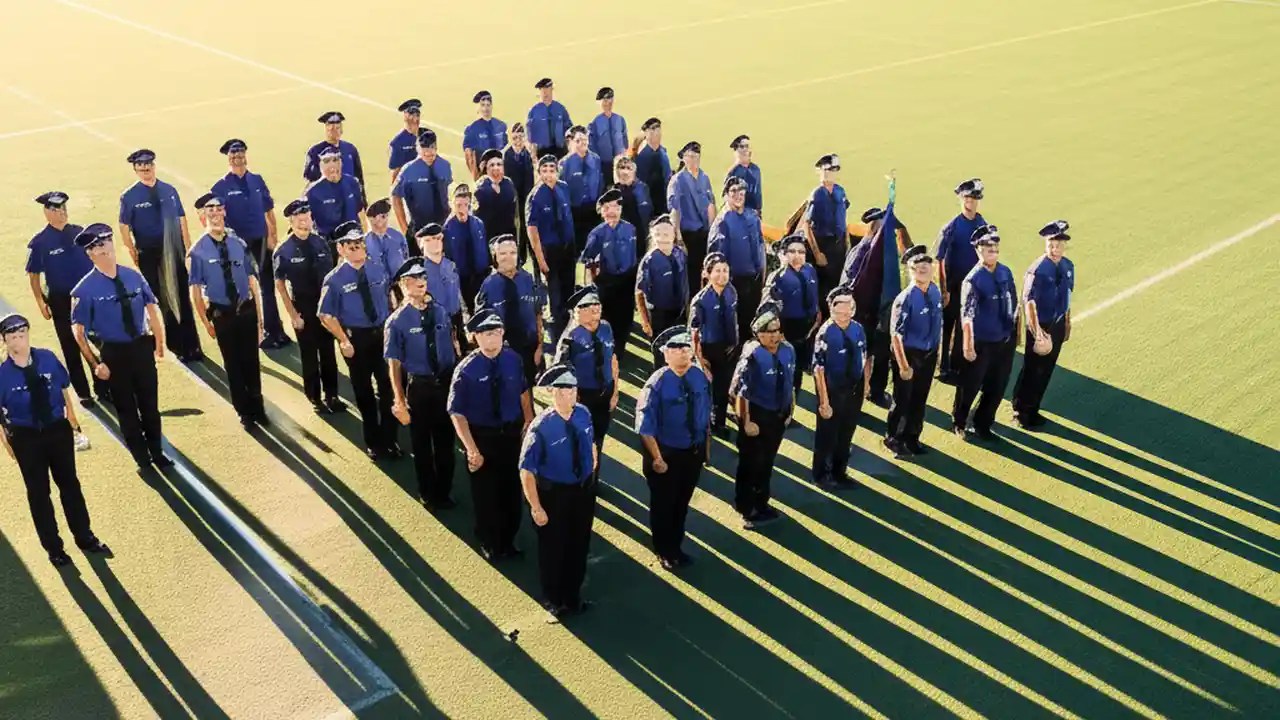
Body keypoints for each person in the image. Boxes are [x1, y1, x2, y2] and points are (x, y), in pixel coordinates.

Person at [0, 314, 109, 567]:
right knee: (39, 494)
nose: (20, 341)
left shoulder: (47, 358)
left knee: (70, 484)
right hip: (26, 437)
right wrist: (7, 444)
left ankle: (85, 537)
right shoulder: (2, 374)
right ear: (4, 340)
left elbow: (62, 389)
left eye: (22, 334)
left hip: (56, 429)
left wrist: (71, 419)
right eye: (13, 337)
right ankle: (54, 548)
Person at [69, 223, 172, 470]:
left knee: (150, 405)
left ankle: (157, 452)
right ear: (89, 253)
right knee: (126, 410)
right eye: (96, 246)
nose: (104, 249)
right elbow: (78, 332)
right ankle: (141, 458)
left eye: (105, 242)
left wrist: (159, 341)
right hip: (114, 353)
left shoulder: (133, 276)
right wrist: (96, 363)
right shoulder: (84, 290)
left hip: (140, 347)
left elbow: (151, 309)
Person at [450, 309, 535, 560]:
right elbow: (457, 412)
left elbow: (522, 389)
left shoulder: (513, 359)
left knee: (510, 489)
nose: (493, 338)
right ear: (476, 337)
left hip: (510, 434)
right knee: (486, 494)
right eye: (487, 334)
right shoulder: (466, 370)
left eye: (497, 332)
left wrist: (528, 418)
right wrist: (471, 449)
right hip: (482, 437)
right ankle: (489, 541)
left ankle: (508, 538)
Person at [519, 364, 598, 621]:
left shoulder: (584, 414)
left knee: (579, 543)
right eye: (562, 391)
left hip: (583, 491)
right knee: (554, 547)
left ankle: (573, 596)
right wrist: (536, 507)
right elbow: (527, 470)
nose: (568, 396)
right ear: (552, 393)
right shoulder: (541, 427)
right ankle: (553, 599)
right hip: (555, 495)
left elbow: (592, 445)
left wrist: (591, 469)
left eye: (572, 390)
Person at [318, 222, 399, 460]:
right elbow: (325, 315)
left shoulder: (377, 269)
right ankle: (373, 442)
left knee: (388, 388)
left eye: (359, 244)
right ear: (341, 249)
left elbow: (389, 296)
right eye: (351, 246)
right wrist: (343, 340)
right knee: (364, 392)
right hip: (357, 339)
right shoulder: (334, 279)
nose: (357, 249)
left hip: (381, 335)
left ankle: (390, 439)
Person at [385, 258, 460, 509]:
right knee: (422, 443)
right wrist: (399, 399)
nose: (421, 284)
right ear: (404, 285)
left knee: (445, 442)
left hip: (445, 384)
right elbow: (394, 364)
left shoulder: (439, 311)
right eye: (415, 280)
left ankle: (445, 490)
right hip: (420, 388)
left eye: (423, 279)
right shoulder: (397, 321)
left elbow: (451, 344)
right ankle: (427, 491)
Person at [187, 194, 267, 430]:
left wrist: (260, 318)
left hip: (246, 311)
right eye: (209, 212)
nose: (215, 215)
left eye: (218, 210)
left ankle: (258, 407)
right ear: (203, 217)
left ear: (224, 213)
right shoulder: (197, 252)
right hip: (223, 314)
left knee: (251, 362)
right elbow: (195, 293)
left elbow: (253, 282)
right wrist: (206, 323)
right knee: (233, 365)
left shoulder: (238, 243)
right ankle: (244, 412)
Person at [635, 325, 710, 570]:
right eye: (675, 349)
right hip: (667, 454)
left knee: (681, 503)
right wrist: (657, 458)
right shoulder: (656, 384)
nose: (682, 353)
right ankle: (664, 550)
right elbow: (645, 427)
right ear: (665, 355)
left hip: (692, 452)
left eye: (686, 348)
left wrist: (705, 450)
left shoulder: (698, 376)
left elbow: (704, 415)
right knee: (664, 505)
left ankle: (676, 546)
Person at [118, 149, 202, 362]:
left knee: (182, 295)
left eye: (149, 166)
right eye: (141, 168)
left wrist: (187, 248)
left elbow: (182, 219)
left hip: (173, 250)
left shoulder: (169, 190)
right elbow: (124, 226)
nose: (146, 170)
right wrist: (132, 251)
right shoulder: (129, 196)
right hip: (149, 253)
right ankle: (176, 346)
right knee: (162, 298)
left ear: (154, 166)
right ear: (136, 170)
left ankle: (193, 346)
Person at [25, 191, 107, 406]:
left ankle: (103, 387)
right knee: (71, 347)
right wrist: (41, 302)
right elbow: (34, 275)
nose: (62, 213)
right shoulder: (40, 242)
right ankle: (84, 393)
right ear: (47, 212)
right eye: (57, 210)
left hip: (88, 297)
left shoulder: (81, 233)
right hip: (61, 301)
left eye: (64, 209)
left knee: (100, 342)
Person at [212, 139, 287, 349]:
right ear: (228, 159)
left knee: (267, 287)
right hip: (237, 245)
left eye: (240, 154)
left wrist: (272, 234)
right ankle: (256, 332)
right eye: (233, 156)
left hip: (260, 239)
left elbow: (268, 209)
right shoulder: (220, 187)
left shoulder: (257, 180)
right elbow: (215, 219)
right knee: (245, 289)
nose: (237, 159)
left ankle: (275, 329)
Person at [842, 183, 910, 408]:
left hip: (884, 310)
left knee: (880, 355)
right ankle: (859, 393)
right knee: (863, 357)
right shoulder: (861, 251)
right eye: (880, 226)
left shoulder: (887, 251)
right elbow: (850, 282)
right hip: (864, 314)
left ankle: (876, 391)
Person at [729, 303, 796, 529]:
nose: (774, 336)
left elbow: (790, 383)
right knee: (750, 463)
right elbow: (739, 392)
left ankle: (762, 502)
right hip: (757, 416)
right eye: (769, 332)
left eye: (777, 331)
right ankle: (746, 508)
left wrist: (790, 412)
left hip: (778, 416)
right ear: (758, 334)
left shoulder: (788, 350)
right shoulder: (752, 355)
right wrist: (745, 421)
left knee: (767, 462)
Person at [273, 200, 341, 414]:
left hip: (324, 307)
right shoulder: (283, 249)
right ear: (292, 221)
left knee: (328, 352)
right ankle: (315, 397)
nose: (305, 222)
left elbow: (331, 276)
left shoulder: (320, 243)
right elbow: (280, 285)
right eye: (300, 219)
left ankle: (332, 395)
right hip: (302, 306)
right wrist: (293, 315)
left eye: (307, 218)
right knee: (309, 355)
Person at [952, 224, 1018, 442]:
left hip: (1003, 340)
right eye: (988, 248)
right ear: (978, 250)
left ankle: (983, 423)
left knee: (997, 385)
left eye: (996, 248)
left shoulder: (1005, 272)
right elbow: (967, 315)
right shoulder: (973, 280)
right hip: (981, 343)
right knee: (970, 385)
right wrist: (968, 346)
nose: (993, 252)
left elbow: (1014, 303)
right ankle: (960, 420)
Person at [1012, 220, 1075, 429]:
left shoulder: (1068, 266)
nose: (1055, 249)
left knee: (1047, 369)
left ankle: (1034, 408)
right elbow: (1028, 302)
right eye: (1051, 244)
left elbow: (1067, 295)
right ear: (1045, 245)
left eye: (1058, 244)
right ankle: (1021, 411)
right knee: (1033, 369)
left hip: (1056, 325)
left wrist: (1067, 322)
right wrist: (1037, 332)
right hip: (1040, 326)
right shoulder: (1037, 270)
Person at [554, 286, 618, 480]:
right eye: (588, 305)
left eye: (597, 304)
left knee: (598, 438)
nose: (595, 308)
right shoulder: (570, 338)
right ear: (577, 312)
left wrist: (615, 392)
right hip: (582, 397)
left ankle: (593, 478)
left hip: (604, 393)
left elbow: (613, 360)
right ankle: (578, 478)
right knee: (580, 440)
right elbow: (560, 375)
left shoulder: (606, 327)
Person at [885, 245, 943, 458]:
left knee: (920, 399)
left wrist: (938, 355)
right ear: (910, 271)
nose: (923, 271)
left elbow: (939, 325)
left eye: (926, 267)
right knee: (903, 400)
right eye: (918, 268)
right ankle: (894, 439)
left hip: (928, 354)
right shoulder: (905, 298)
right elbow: (896, 336)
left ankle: (912, 437)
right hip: (909, 356)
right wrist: (903, 366)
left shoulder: (935, 291)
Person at [812, 286, 869, 490]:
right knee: (827, 435)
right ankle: (821, 475)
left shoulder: (858, 328)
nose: (845, 312)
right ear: (832, 308)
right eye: (840, 308)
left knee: (846, 433)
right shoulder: (825, 334)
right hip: (832, 390)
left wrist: (865, 386)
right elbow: (818, 370)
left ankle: (839, 471)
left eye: (848, 307)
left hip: (853, 388)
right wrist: (824, 402)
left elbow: (864, 358)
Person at [934, 178, 988, 383]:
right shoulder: (952, 227)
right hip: (954, 284)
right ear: (961, 200)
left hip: (972, 285)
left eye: (974, 198)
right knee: (947, 325)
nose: (971, 202)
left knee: (966, 322)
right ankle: (942, 365)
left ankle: (957, 363)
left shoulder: (982, 224)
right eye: (967, 198)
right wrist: (944, 289)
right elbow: (939, 259)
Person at [475, 235, 544, 388]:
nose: (508, 257)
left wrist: (540, 346)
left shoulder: (527, 279)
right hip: (503, 351)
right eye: (503, 253)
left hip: (528, 347)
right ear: (495, 256)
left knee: (528, 387)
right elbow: (480, 326)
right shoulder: (488, 286)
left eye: (512, 253)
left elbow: (538, 313)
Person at [708, 175, 765, 342]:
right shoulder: (722, 222)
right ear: (726, 195)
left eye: (741, 190)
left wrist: (762, 273)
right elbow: (716, 259)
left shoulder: (752, 217)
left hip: (753, 279)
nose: (738, 194)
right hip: (734, 282)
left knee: (752, 320)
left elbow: (760, 246)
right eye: (733, 191)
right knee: (734, 325)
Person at [526, 154, 576, 344]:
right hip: (550, 251)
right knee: (555, 298)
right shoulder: (535, 196)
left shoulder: (564, 188)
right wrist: (541, 260)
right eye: (544, 171)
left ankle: (571, 331)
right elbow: (532, 230)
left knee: (568, 291)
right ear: (539, 173)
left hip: (567, 248)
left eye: (551, 170)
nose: (548, 175)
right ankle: (558, 338)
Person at [580, 188, 637, 349]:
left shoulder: (630, 229)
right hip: (606, 282)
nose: (612, 212)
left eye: (616, 208)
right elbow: (588, 260)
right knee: (607, 319)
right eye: (607, 208)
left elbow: (633, 255)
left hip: (626, 280)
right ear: (601, 212)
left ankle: (620, 349)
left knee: (625, 318)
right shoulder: (597, 234)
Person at [688, 253, 737, 434]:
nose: (722, 275)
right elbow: (693, 335)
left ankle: (719, 423)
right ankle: (703, 425)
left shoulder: (731, 291)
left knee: (722, 389)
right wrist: (702, 363)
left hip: (728, 348)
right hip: (708, 350)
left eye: (725, 270)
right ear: (708, 274)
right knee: (705, 390)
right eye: (717, 271)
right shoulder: (700, 301)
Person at [765, 235, 821, 392]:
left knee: (799, 368)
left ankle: (795, 394)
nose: (797, 256)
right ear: (785, 254)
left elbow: (814, 294)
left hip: (809, 326)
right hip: (787, 327)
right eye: (792, 251)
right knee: (784, 366)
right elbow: (769, 309)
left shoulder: (810, 270)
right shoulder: (778, 278)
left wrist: (817, 314)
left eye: (801, 252)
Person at [635, 215, 688, 366]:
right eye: (658, 234)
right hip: (659, 314)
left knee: (680, 348)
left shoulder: (680, 254)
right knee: (661, 354)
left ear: (674, 235)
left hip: (679, 311)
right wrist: (645, 323)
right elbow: (639, 293)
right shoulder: (649, 260)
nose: (662, 239)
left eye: (666, 234)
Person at [804, 153, 852, 318]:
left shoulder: (840, 191)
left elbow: (843, 217)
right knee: (824, 287)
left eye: (832, 170)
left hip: (838, 245)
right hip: (823, 244)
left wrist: (847, 243)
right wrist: (817, 253)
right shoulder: (817, 194)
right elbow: (807, 225)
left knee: (838, 282)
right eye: (826, 170)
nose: (829, 174)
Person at [667, 141, 716, 298]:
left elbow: (710, 205)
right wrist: (678, 238)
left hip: (704, 233)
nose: (693, 160)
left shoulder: (704, 177)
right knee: (691, 277)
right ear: (684, 159)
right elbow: (675, 210)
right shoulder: (677, 181)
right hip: (687, 235)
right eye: (690, 157)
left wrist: (713, 231)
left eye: (696, 157)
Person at [392, 129, 452, 246]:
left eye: (431, 148)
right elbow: (395, 196)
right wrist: (405, 228)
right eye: (424, 149)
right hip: (419, 227)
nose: (428, 153)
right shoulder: (409, 170)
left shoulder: (445, 165)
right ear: (418, 148)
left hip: (443, 225)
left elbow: (448, 191)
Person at [415, 223, 467, 348]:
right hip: (435, 322)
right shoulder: (419, 272)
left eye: (438, 238)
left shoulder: (450, 265)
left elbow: (457, 293)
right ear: (422, 244)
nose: (435, 243)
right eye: (429, 240)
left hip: (455, 317)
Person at [305, 146, 366, 250]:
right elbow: (306, 222)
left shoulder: (352, 183)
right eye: (327, 161)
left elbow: (360, 211)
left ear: (341, 163)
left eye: (335, 160)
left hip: (353, 239)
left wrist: (365, 235)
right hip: (329, 242)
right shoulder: (313, 191)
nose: (332, 165)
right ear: (321, 167)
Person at [442, 184, 490, 316]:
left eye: (466, 205)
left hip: (480, 272)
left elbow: (484, 246)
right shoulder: (448, 228)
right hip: (463, 274)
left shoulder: (478, 223)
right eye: (459, 205)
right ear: (453, 206)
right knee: (470, 305)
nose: (463, 209)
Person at [560, 125, 604, 259]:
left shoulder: (595, 159)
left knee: (594, 246)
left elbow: (600, 181)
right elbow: (562, 188)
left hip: (593, 208)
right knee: (577, 247)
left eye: (585, 140)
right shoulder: (564, 163)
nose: (582, 144)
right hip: (575, 210)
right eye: (578, 141)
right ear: (571, 142)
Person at [304, 111, 366, 204]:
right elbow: (311, 178)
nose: (335, 132)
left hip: (349, 198)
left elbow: (358, 177)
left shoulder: (350, 149)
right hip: (328, 200)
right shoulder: (316, 151)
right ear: (326, 130)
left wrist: (362, 200)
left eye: (338, 128)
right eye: (332, 129)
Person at [504, 123, 537, 276]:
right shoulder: (506, 155)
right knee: (516, 232)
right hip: (512, 201)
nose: (518, 141)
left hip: (526, 199)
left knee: (528, 230)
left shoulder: (527, 154)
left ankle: (535, 268)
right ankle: (518, 263)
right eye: (515, 137)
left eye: (520, 137)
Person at [473, 149, 518, 252]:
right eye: (492, 165)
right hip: (488, 239)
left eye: (499, 164)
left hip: (507, 237)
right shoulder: (480, 187)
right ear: (486, 168)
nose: (496, 168)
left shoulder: (509, 184)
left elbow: (514, 216)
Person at [612, 155, 653, 263]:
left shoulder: (643, 188)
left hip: (640, 239)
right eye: (621, 168)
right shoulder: (611, 192)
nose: (625, 172)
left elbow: (649, 214)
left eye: (628, 168)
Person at [463, 90, 508, 181]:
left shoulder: (500, 126)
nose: (485, 109)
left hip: (498, 169)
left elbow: (505, 147)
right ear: (479, 108)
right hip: (482, 171)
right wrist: (475, 173)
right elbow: (468, 155)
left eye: (488, 105)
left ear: (492, 106)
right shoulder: (473, 129)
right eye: (483, 105)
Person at [589, 87, 628, 187]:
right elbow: (592, 146)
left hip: (619, 163)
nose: (608, 103)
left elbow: (624, 141)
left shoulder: (620, 119)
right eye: (605, 100)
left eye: (610, 99)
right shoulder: (595, 123)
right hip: (604, 164)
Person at [526, 78, 572, 160]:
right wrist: (533, 153)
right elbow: (530, 135)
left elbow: (569, 129)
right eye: (543, 91)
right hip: (542, 151)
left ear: (552, 90)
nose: (545, 93)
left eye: (547, 90)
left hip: (560, 150)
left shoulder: (560, 109)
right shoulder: (534, 111)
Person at [634, 117, 672, 216]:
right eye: (653, 129)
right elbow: (642, 183)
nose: (657, 132)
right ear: (646, 134)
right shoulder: (642, 157)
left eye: (658, 129)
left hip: (665, 200)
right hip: (651, 204)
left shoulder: (663, 151)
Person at [725, 135, 762, 215]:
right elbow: (727, 197)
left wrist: (758, 211)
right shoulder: (733, 171)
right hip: (738, 213)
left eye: (747, 146)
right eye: (742, 147)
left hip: (754, 213)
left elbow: (758, 193)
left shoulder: (756, 169)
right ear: (736, 151)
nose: (745, 150)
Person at [387, 99, 422, 183]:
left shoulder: (425, 136)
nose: (415, 118)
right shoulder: (398, 142)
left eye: (417, 115)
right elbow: (395, 172)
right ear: (405, 116)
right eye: (411, 115)